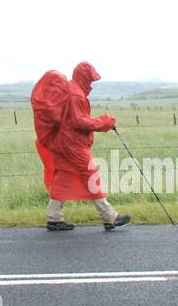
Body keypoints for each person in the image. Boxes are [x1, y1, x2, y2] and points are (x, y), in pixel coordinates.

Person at [31, 62, 131, 232]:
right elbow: (79, 121)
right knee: (91, 174)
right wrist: (104, 122)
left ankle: (54, 218)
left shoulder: (72, 89)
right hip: (73, 143)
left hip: (63, 142)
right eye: (90, 80)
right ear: (84, 77)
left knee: (63, 176)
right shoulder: (75, 94)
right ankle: (110, 217)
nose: (91, 84)